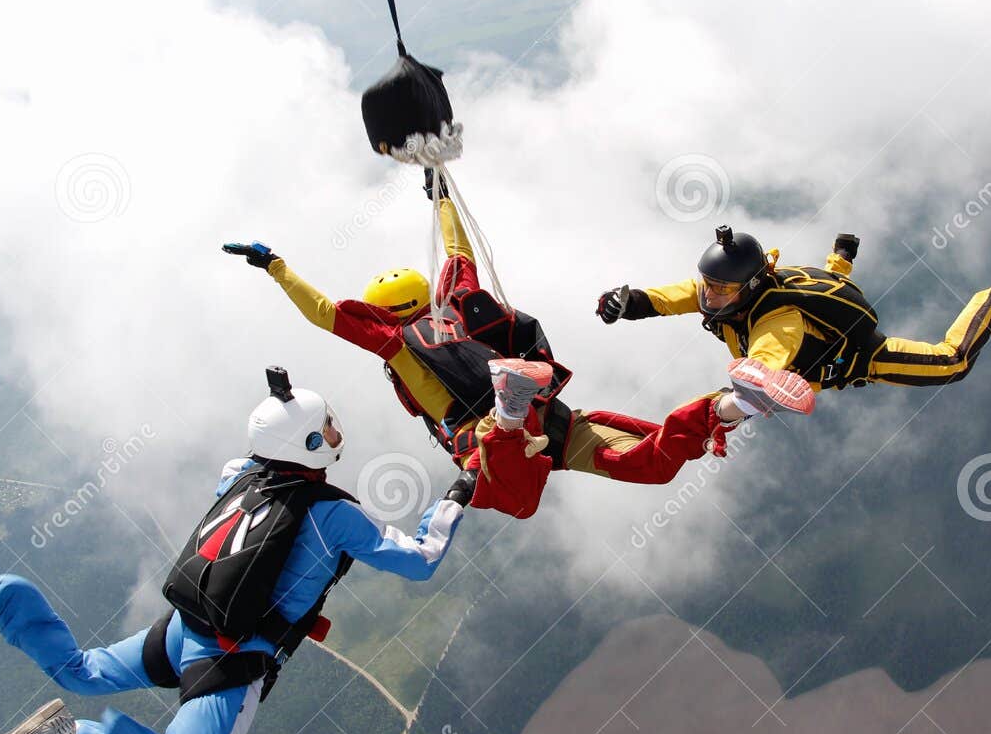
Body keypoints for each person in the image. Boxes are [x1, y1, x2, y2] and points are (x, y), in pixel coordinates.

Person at [0, 367, 467, 734]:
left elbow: (258, 464)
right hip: (229, 655)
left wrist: (281, 408)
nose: (338, 433)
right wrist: (455, 497)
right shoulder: (334, 517)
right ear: (312, 444)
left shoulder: (238, 473)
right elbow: (421, 561)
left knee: (80, 671)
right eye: (330, 427)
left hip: (182, 627)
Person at [223, 175, 750, 520]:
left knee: (516, 501)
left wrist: (276, 267)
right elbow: (458, 248)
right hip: (557, 421)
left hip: (489, 437)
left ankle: (508, 415)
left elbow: (322, 313)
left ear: (386, 310)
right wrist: (440, 197)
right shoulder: (453, 298)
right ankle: (727, 405)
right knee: (651, 464)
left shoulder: (392, 339)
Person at [596, 226, 991, 416]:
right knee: (827, 279)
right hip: (818, 322)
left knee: (951, 363)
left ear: (752, 285)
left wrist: (742, 396)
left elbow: (767, 358)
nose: (709, 296)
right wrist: (626, 302)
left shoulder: (779, 320)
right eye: (708, 284)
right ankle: (842, 256)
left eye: (722, 289)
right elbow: (667, 299)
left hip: (859, 356)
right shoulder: (723, 290)